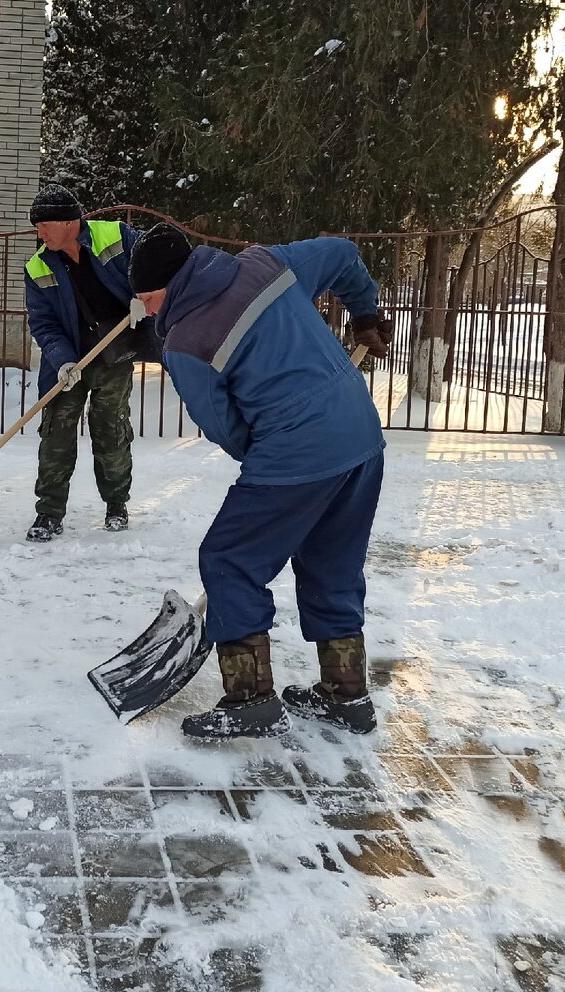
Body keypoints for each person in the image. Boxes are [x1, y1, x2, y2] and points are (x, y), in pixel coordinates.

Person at [127, 223, 392, 738]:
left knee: (229, 559)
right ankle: (347, 695)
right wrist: (363, 313)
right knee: (331, 560)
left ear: (171, 283)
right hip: (360, 435)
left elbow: (226, 427)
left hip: (295, 450)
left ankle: (250, 699)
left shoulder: (185, 341)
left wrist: (278, 469)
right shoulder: (266, 265)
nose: (150, 311)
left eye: (150, 298)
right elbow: (341, 252)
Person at [23, 183, 152, 542]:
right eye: (38, 227)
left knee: (110, 428)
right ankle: (49, 514)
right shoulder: (37, 267)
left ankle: (116, 504)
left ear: (69, 221)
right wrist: (64, 361)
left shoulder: (115, 236)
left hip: (115, 351)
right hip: (69, 361)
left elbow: (155, 257)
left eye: (45, 225)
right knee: (56, 434)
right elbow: (44, 323)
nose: (40, 232)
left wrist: (144, 296)